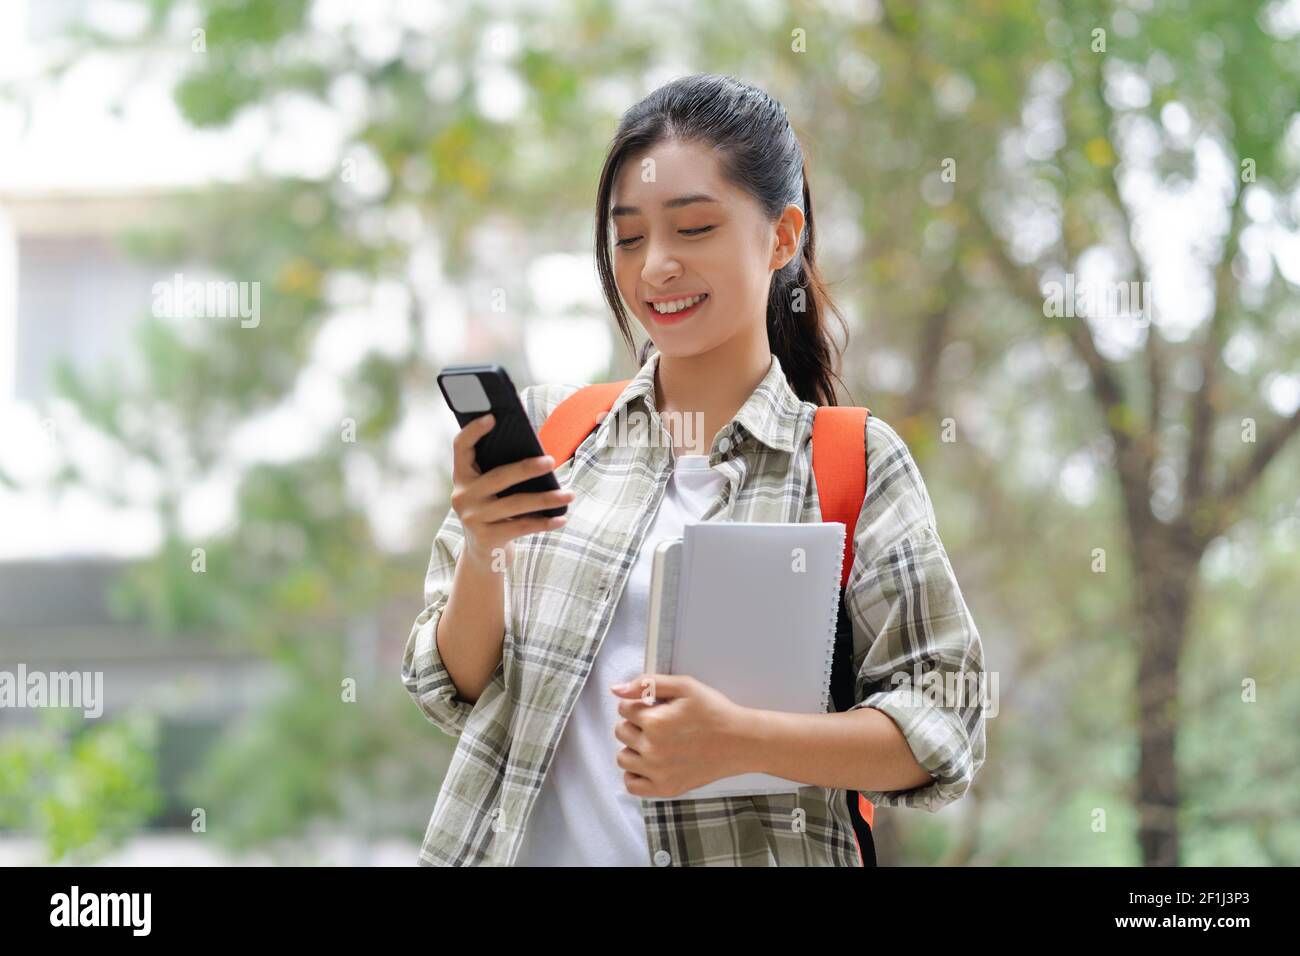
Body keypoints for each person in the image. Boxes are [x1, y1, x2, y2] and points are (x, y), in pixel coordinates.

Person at [402, 73, 986, 866]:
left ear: (781, 238)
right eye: (630, 237)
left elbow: (945, 721)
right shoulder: (555, 432)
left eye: (694, 229)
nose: (655, 269)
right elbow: (455, 688)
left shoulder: (851, 462)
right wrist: (485, 548)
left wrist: (741, 741)